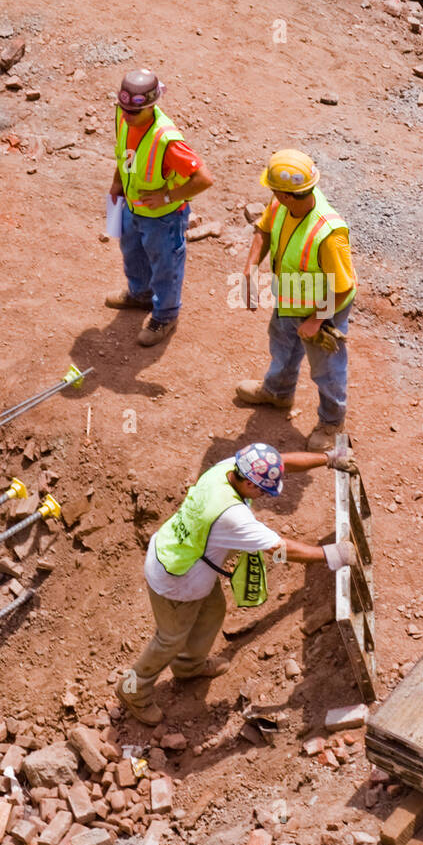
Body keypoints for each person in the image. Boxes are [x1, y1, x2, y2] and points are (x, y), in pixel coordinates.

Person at [117, 441, 357, 725]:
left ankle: (189, 667)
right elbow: (281, 550)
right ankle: (133, 690)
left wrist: (328, 458)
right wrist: (332, 554)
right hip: (174, 579)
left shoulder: (229, 468)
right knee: (169, 639)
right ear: (251, 484)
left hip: (186, 562)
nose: (265, 497)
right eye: (264, 491)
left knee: (213, 612)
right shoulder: (232, 517)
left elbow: (281, 462)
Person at [236, 149, 356, 452]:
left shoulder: (329, 233)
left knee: (327, 370)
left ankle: (331, 423)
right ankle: (277, 392)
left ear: (290, 195)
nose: (271, 195)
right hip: (289, 298)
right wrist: (251, 269)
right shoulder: (281, 204)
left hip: (322, 310)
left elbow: (344, 287)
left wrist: (316, 321)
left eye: (274, 190)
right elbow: (263, 229)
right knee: (283, 347)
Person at [105, 67, 213, 346]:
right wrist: (118, 182)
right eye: (124, 109)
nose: (127, 116)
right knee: (132, 253)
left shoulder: (166, 140)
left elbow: (204, 179)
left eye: (134, 112)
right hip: (132, 207)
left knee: (165, 265)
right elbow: (125, 153)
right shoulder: (122, 116)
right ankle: (140, 294)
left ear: (151, 106)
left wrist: (168, 197)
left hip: (163, 218)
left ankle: (165, 316)